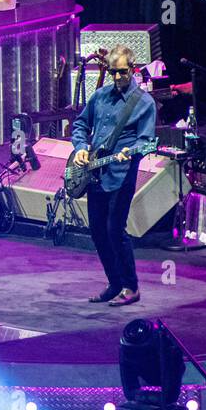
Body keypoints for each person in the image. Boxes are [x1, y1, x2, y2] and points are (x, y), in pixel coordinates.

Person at [71, 45, 157, 307]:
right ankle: (115, 283)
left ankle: (131, 286)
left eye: (121, 72)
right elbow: (80, 124)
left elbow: (146, 142)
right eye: (112, 72)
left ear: (132, 69)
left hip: (121, 174)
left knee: (114, 229)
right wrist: (80, 148)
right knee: (97, 231)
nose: (117, 77)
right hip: (95, 173)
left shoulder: (143, 103)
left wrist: (131, 152)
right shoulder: (100, 96)